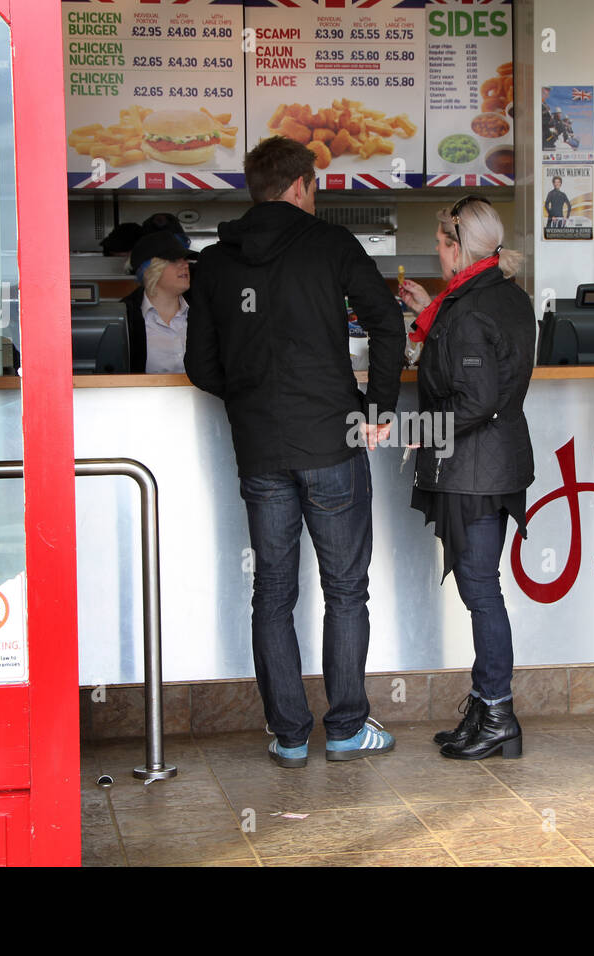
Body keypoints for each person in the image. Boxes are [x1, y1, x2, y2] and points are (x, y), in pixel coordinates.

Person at [185, 136, 406, 767]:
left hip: (260, 448)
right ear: (304, 185)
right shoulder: (331, 245)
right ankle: (345, 728)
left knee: (273, 592)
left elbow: (202, 364)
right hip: (332, 440)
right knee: (344, 588)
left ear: (254, 188)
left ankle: (287, 735)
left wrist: (253, 395)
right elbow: (387, 325)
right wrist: (378, 407)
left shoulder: (216, 263)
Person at [398, 196, 535, 760]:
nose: (435, 249)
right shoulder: (501, 296)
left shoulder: (472, 309)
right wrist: (434, 306)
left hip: (475, 469)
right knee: (482, 589)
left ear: (459, 247)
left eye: (440, 241)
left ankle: (498, 713)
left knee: (481, 591)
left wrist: (423, 428)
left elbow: (476, 398)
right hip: (492, 465)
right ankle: (485, 705)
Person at [119, 230, 197, 374]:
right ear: (151, 269)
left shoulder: (204, 312)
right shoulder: (125, 318)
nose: (185, 265)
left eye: (185, 259)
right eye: (174, 260)